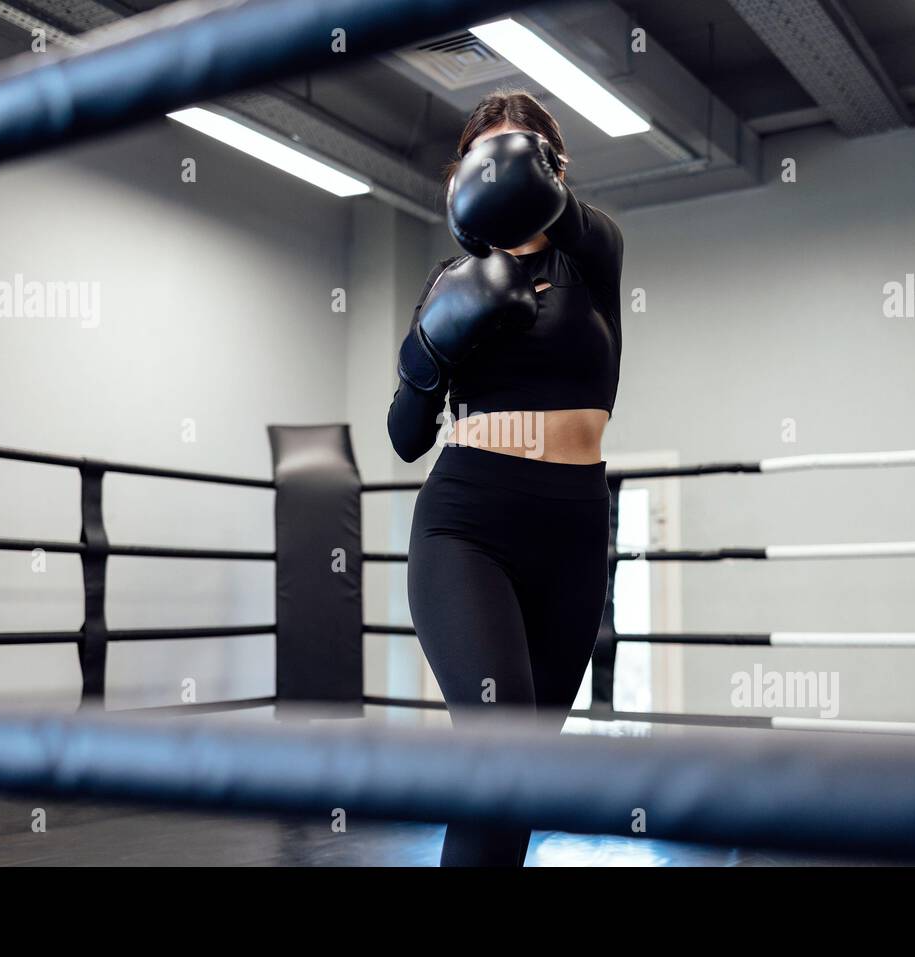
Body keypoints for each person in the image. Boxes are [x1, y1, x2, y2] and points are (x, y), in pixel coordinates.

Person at [387, 90, 623, 866]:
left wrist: (528, 175)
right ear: (461, 173)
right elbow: (404, 437)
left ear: (553, 168)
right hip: (467, 524)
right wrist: (430, 347)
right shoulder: (448, 279)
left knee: (521, 776)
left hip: (575, 530)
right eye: (484, 153)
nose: (500, 169)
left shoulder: (594, 254)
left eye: (518, 151)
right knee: (499, 748)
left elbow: (568, 214)